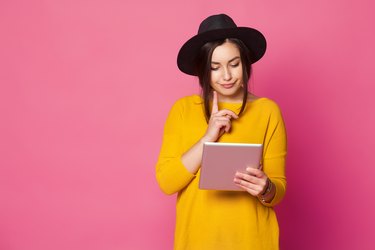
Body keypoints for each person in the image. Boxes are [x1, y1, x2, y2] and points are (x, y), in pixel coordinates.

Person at [156, 13, 287, 250]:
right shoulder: (183, 110)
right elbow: (167, 182)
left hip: (253, 240)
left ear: (246, 64)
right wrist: (208, 138)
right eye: (215, 68)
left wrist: (266, 188)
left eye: (234, 64)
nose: (226, 76)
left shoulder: (267, 111)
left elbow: (278, 188)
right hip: (197, 240)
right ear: (203, 71)